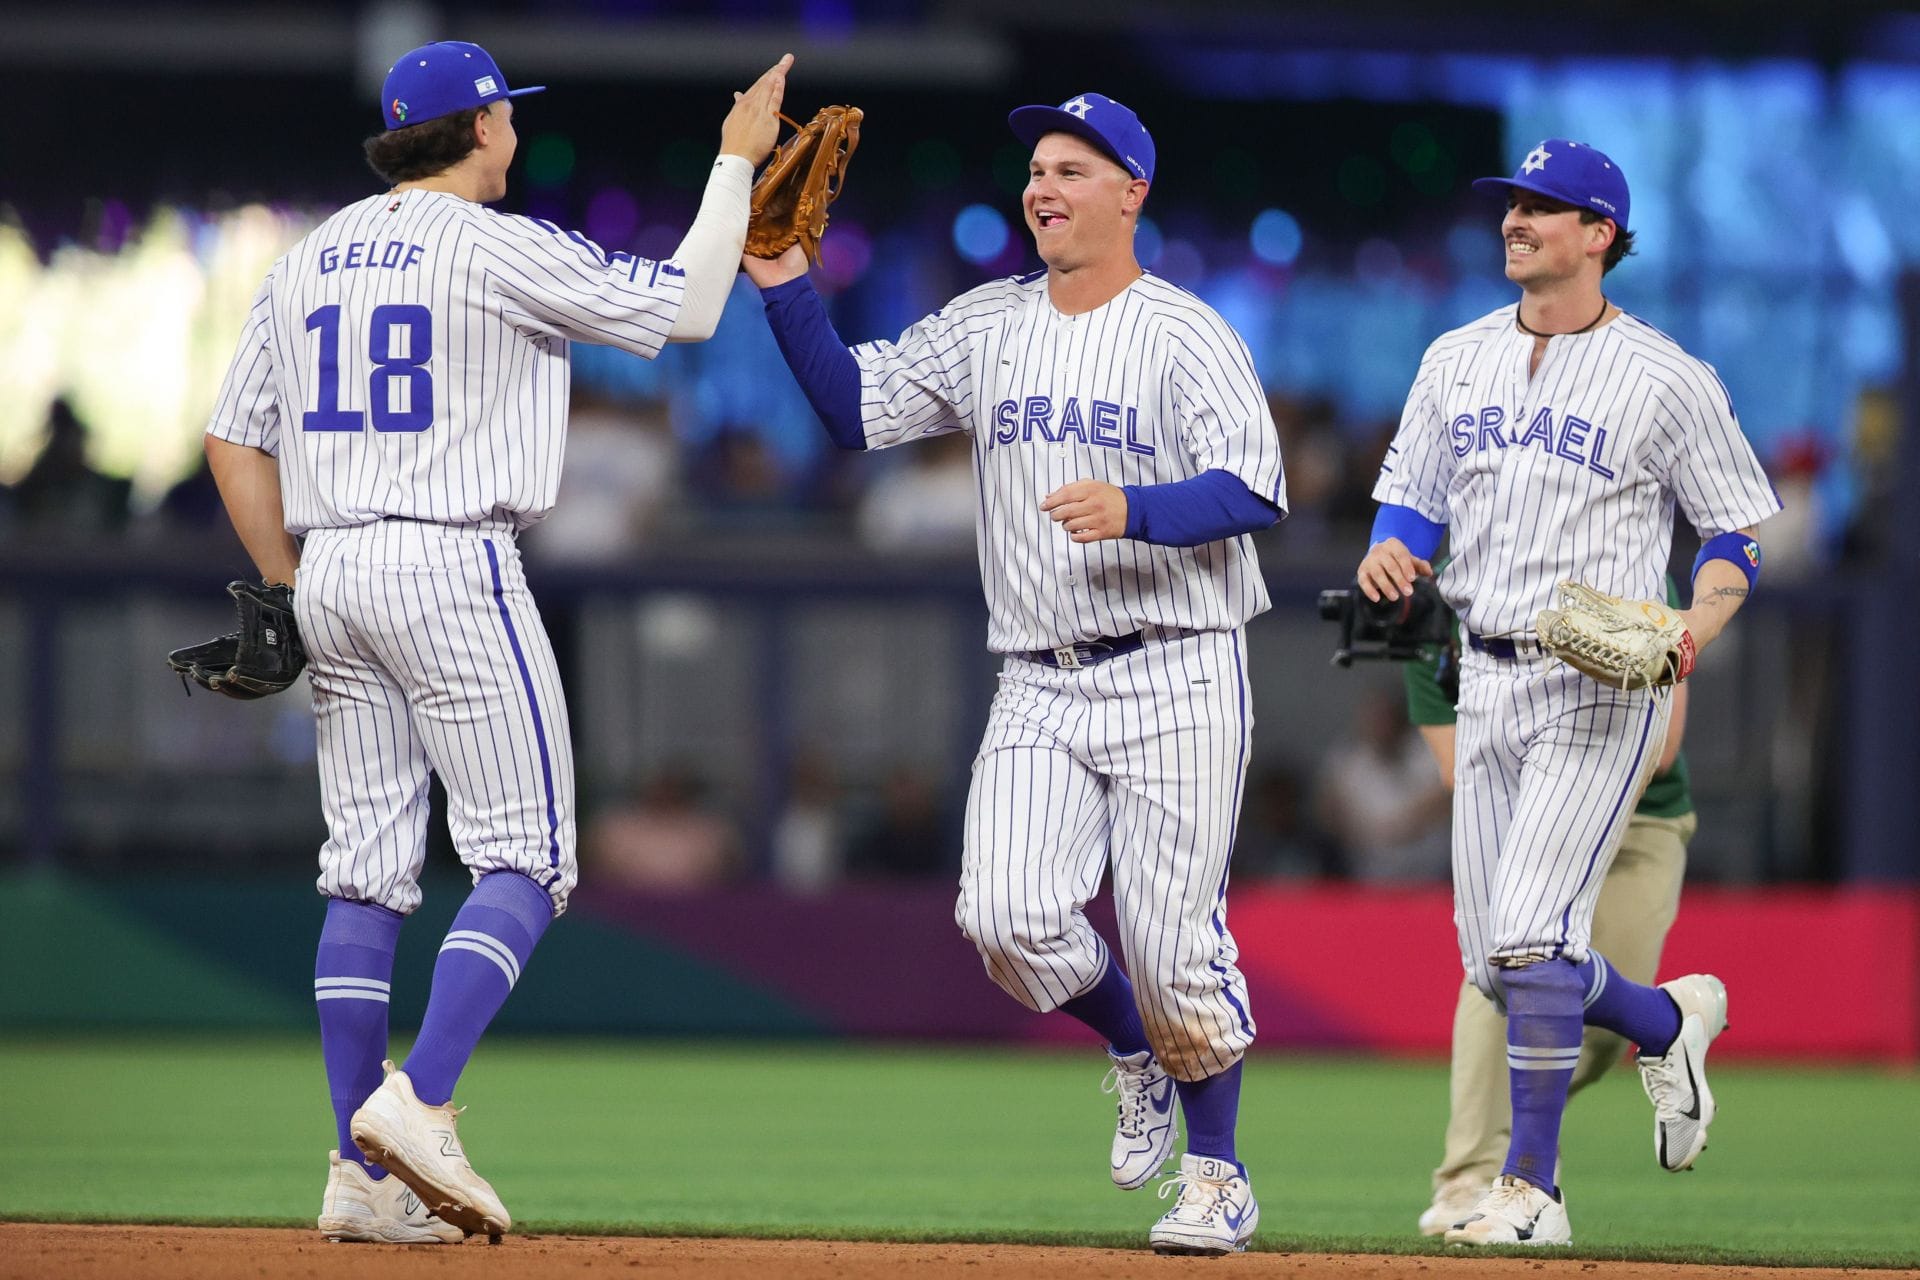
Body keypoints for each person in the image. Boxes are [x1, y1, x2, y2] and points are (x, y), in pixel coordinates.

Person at [201, 40, 793, 1244]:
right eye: (506, 117)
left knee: (363, 868)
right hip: (452, 558)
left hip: (332, 566)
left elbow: (231, 437)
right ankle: (419, 1100)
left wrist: (281, 586)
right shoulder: (494, 242)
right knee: (529, 857)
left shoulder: (307, 255)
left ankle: (354, 1175)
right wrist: (733, 164)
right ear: (479, 128)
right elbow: (686, 306)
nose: (512, 133)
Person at [742, 92, 1286, 1255]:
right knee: (1004, 916)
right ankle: (1133, 1045)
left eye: (1073, 169)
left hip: (1177, 668)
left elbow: (1254, 490)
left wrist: (1135, 507)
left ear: (1132, 192)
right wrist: (784, 279)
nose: (1043, 187)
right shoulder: (990, 321)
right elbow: (852, 409)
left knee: (1177, 943)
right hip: (1040, 674)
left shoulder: (1188, 331)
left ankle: (1220, 1172)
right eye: (1037, 168)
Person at [1357, 137, 1780, 1246]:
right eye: (1512, 203)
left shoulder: (1666, 375)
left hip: (1594, 680)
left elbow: (1734, 526)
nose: (1516, 220)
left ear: (1600, 235)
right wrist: (1390, 550)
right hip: (1483, 673)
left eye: (1544, 207)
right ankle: (1667, 1017)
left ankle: (1533, 1193)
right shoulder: (1454, 358)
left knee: (1536, 938)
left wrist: (1700, 619)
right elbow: (1409, 493)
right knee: (1497, 965)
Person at [1402, 574, 1698, 1235]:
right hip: (1522, 821)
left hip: (1640, 826)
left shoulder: (1626, 563)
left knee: (1588, 1034)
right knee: (1506, 972)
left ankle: (1666, 1023)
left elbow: (1665, 746)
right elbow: (1458, 767)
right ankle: (1479, 1177)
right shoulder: (1442, 614)